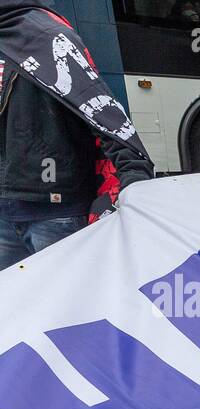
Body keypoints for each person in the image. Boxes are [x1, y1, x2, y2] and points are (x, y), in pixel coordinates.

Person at [1, 0, 154, 271]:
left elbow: (100, 110)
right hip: (5, 214)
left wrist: (133, 179)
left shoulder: (49, 36)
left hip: (55, 214)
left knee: (70, 296)